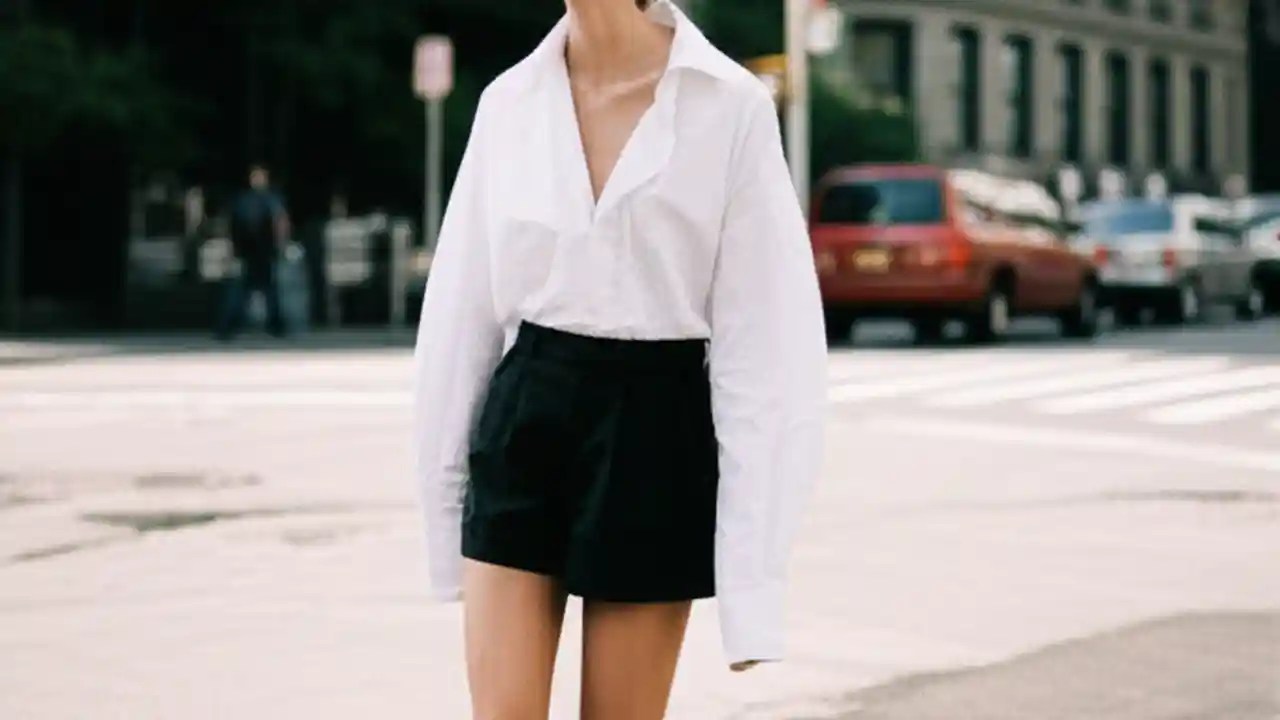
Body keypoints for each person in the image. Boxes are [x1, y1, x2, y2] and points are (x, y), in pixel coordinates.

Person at [411, 0, 827, 717]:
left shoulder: (729, 106)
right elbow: (459, 319)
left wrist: (753, 583)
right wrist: (442, 517)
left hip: (654, 429)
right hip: (525, 413)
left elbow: (765, 353)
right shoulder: (508, 102)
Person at [217, 164, 289, 340]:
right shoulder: (265, 200)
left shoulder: (251, 200)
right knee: (259, 290)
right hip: (255, 251)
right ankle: (274, 325)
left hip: (256, 251)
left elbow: (279, 224)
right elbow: (279, 223)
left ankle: (231, 326)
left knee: (247, 291)